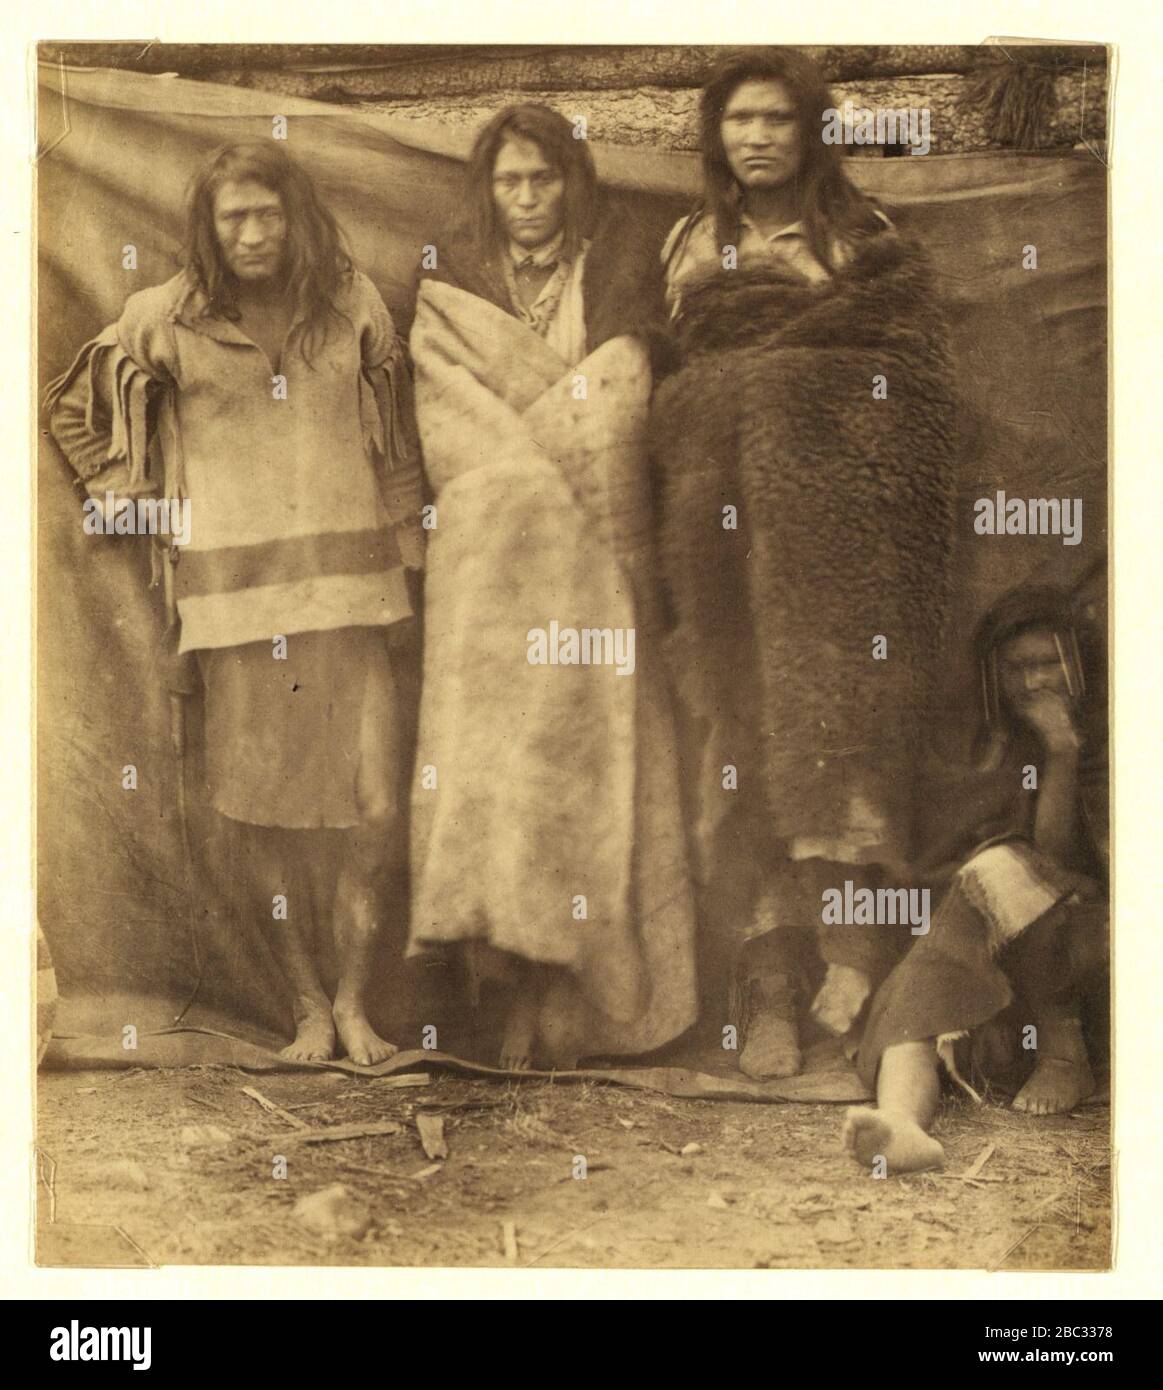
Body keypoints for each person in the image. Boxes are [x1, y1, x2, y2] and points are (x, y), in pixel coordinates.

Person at [45, 142, 424, 1066]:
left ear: (295, 216)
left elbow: (399, 447)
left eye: (268, 214)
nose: (253, 233)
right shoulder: (163, 317)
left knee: (372, 813)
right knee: (262, 819)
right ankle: (304, 1008)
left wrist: (410, 571)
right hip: (233, 607)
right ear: (209, 229)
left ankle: (354, 1002)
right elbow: (69, 407)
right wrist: (127, 496)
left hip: (352, 598)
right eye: (234, 218)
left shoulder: (353, 305)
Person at [652, 50, 958, 1079]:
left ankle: (857, 961)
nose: (756, 137)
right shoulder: (691, 241)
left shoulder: (857, 235)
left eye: (777, 118)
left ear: (809, 131)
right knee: (740, 751)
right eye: (737, 119)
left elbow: (903, 373)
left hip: (833, 550)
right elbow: (684, 377)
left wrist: (783, 381)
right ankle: (769, 982)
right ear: (716, 136)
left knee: (833, 751)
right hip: (722, 539)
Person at [406, 103, 697, 1069]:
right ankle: (503, 988)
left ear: (573, 185)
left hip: (599, 577)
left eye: (544, 180)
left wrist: (562, 466)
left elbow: (618, 405)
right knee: (494, 765)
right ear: (487, 191)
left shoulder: (618, 273)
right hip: (493, 577)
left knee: (597, 768)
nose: (526, 200)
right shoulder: (452, 282)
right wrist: (531, 481)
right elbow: (452, 418)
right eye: (508, 182)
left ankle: (588, 996)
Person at [843, 583, 1109, 1173]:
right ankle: (904, 1126)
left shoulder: (1117, 729)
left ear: (1079, 663)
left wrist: (1064, 753)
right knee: (924, 992)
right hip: (991, 950)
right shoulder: (994, 744)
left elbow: (1054, 862)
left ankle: (1067, 1053)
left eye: (1048, 663)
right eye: (1017, 668)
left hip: (1082, 948)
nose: (1034, 682)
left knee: (999, 868)